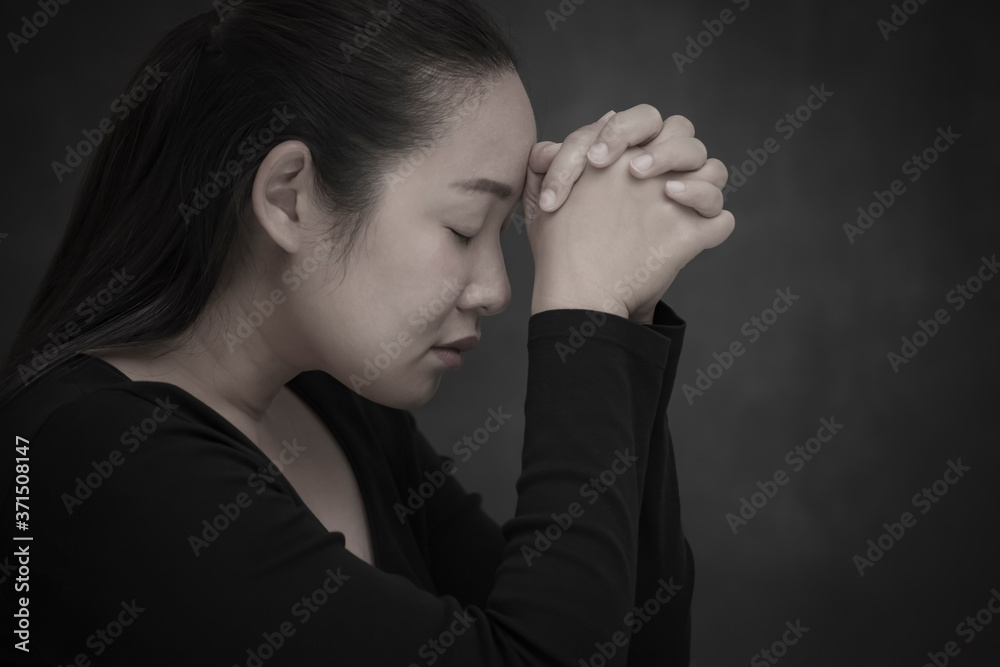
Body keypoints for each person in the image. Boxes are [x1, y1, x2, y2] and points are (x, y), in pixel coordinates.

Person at [0, 0, 732, 664]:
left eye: (503, 232)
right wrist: (584, 317)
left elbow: (632, 646)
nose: (497, 290)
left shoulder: (340, 413)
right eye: (464, 226)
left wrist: (623, 316)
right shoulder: (90, 455)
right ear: (289, 198)